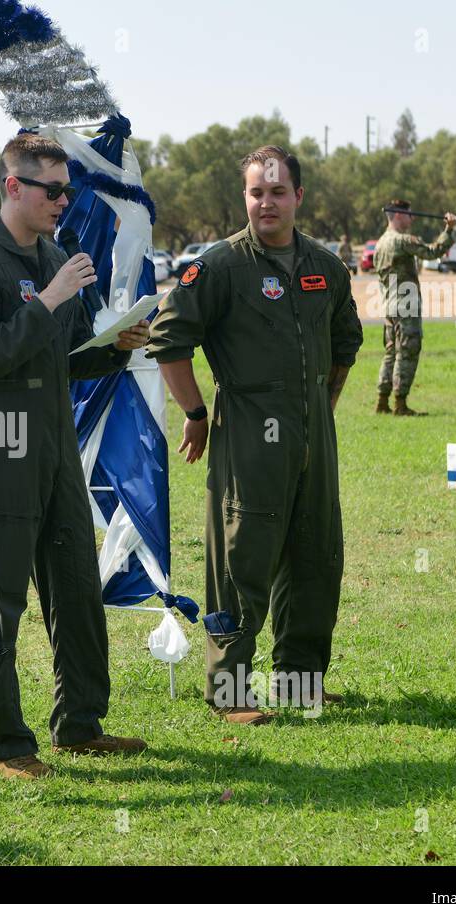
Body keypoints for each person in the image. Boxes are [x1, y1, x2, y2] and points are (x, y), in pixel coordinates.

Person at [0, 132, 150, 779]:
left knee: (77, 587)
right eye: (51, 190)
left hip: (54, 444)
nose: (63, 200)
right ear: (13, 187)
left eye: (67, 189)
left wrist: (115, 347)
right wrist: (52, 297)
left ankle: (80, 724)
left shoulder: (56, 253)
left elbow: (63, 358)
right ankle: (5, 740)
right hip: (1, 443)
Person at [146, 145, 363, 725]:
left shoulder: (327, 266)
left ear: (298, 197)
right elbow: (168, 340)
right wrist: (194, 412)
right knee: (243, 560)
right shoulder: (218, 268)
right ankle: (230, 689)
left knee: (317, 558)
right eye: (255, 192)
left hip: (315, 440)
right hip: (247, 437)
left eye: (277, 192)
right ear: (245, 197)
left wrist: (324, 404)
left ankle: (300, 681)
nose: (266, 202)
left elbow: (347, 343)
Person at [372, 199, 456, 415]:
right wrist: (449, 229)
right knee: (407, 352)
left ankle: (382, 402)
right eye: (410, 215)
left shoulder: (380, 244)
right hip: (405, 306)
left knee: (391, 352)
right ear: (398, 215)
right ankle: (400, 404)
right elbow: (433, 252)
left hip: (389, 306)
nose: (413, 218)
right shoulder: (402, 240)